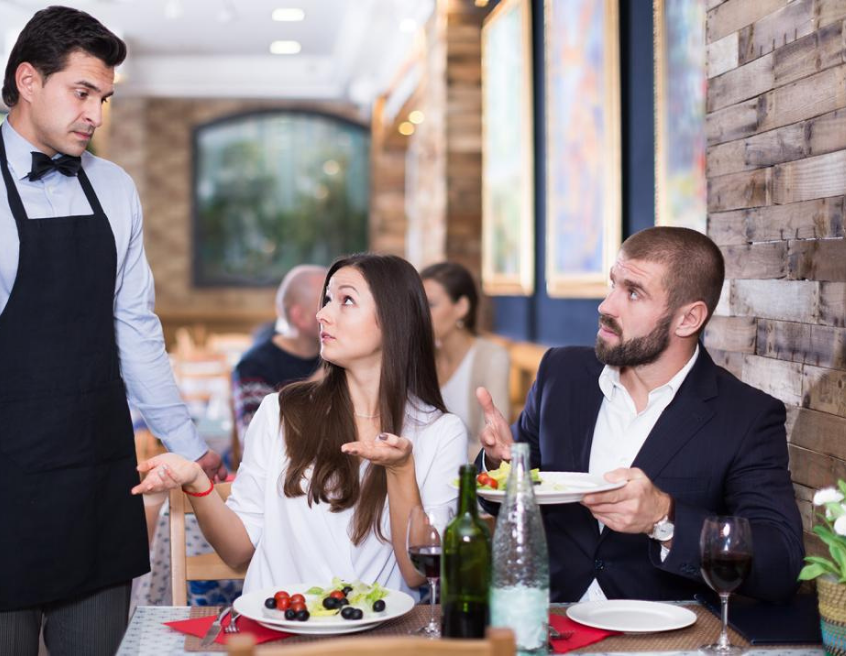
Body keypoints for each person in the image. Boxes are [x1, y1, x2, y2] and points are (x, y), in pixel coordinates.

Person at [0, 7, 223, 654]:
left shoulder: (116, 188)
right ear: (29, 80)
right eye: (82, 92)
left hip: (100, 484)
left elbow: (136, 328)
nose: (95, 114)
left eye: (104, 97)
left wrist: (186, 442)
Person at [476, 227, 804, 603]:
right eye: (612, 284)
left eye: (633, 292)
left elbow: (781, 563)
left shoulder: (746, 416)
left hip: (662, 638)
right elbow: (500, 497)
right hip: (548, 623)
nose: (606, 306)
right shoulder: (560, 375)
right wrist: (497, 463)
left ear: (688, 318)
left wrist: (664, 518)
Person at [134, 254, 467, 597]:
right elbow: (237, 549)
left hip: (377, 637)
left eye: (346, 300)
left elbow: (416, 574)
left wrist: (400, 471)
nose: (322, 314)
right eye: (326, 300)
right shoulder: (280, 411)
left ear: (395, 319)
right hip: (277, 631)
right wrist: (196, 481)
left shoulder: (440, 432)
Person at [421, 262, 510, 456]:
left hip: (469, 477)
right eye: (418, 305)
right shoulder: (421, 358)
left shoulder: (492, 358)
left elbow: (494, 443)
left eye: (430, 304)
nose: (421, 314)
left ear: (461, 307)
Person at [232, 265, 326, 445]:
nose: (334, 311)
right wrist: (322, 379)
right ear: (299, 317)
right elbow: (255, 440)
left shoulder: (340, 355)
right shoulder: (253, 365)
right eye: (326, 302)